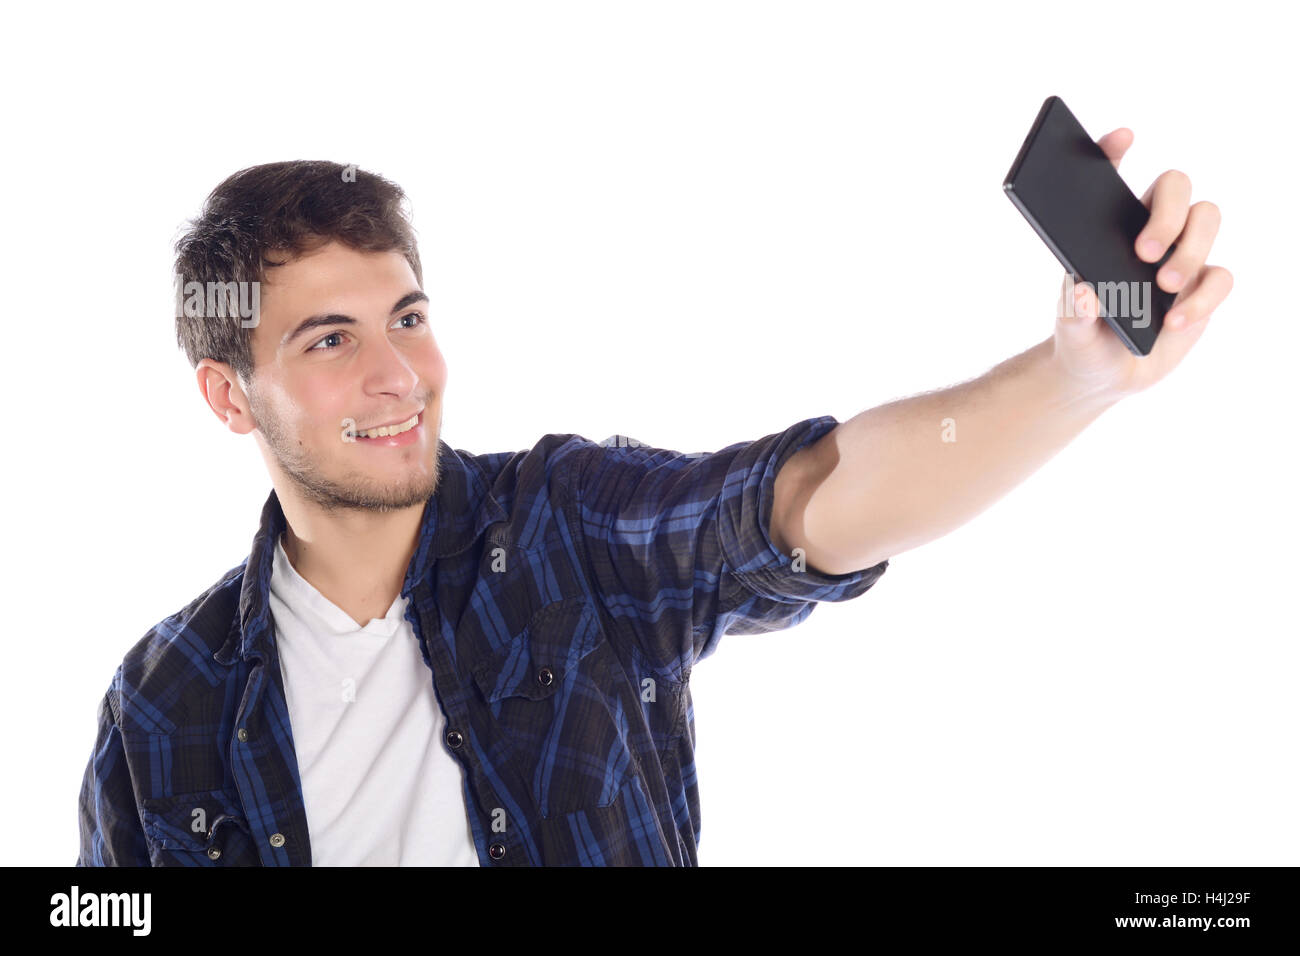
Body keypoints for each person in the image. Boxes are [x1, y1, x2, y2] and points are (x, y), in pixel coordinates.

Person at [76, 136, 1232, 866]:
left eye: (410, 319)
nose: (398, 376)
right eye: (331, 338)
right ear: (231, 396)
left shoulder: (559, 530)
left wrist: (1070, 378)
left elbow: (798, 503)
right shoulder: (162, 700)